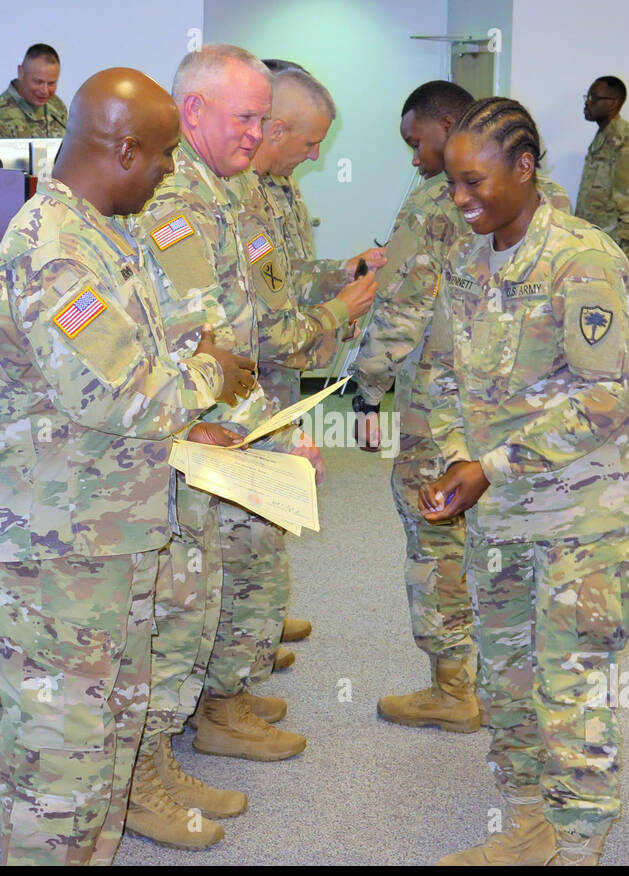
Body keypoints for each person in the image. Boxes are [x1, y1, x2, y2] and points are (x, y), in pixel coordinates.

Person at [0, 67, 256, 863]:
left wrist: (185, 429)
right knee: (61, 760)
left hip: (110, 528)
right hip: (57, 545)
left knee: (107, 739)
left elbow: (116, 388)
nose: (170, 170)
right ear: (124, 148)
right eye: (163, 156)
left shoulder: (100, 233)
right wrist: (212, 377)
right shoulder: (56, 250)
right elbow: (125, 395)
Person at [420, 97, 629, 865]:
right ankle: (529, 816)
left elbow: (605, 401)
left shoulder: (581, 260)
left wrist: (485, 468)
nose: (460, 199)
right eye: (452, 182)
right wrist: (457, 458)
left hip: (583, 512)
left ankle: (580, 842)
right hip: (500, 512)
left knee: (570, 683)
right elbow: (446, 377)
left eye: (475, 182)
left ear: (525, 169)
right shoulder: (466, 259)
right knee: (508, 673)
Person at [351, 80, 570, 734]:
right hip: (530, 403)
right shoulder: (551, 195)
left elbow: (402, 304)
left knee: (435, 526)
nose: (416, 157)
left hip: (449, 400)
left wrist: (367, 388)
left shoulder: (438, 201)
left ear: (447, 125)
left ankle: (453, 689)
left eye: (417, 141)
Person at [134, 45, 314, 765]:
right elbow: (193, 333)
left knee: (247, 560)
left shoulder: (228, 189)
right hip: (202, 423)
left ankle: (225, 696)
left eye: (265, 119)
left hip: (238, 406)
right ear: (194, 111)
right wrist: (264, 439)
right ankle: (207, 712)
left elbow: (254, 309)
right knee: (211, 574)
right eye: (245, 117)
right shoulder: (176, 203)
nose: (256, 132)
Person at [242, 60, 381, 676]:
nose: (318, 152)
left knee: (268, 506)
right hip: (247, 375)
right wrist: (337, 311)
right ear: (274, 129)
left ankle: (259, 615)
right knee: (242, 516)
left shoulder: (278, 185)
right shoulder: (231, 193)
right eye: (310, 141)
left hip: (280, 370)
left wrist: (342, 272)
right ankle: (244, 637)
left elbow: (285, 278)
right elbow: (250, 311)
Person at [575, 75, 629, 387]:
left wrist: (621, 259)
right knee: (603, 328)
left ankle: (626, 399)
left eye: (594, 97)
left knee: (622, 327)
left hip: (616, 254)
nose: (587, 102)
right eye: (588, 95)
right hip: (598, 252)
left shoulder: (626, 142)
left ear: (614, 103)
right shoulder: (603, 139)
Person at [0, 43, 65, 138]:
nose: (45, 91)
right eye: (38, 82)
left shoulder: (57, 106)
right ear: (21, 73)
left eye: (51, 83)